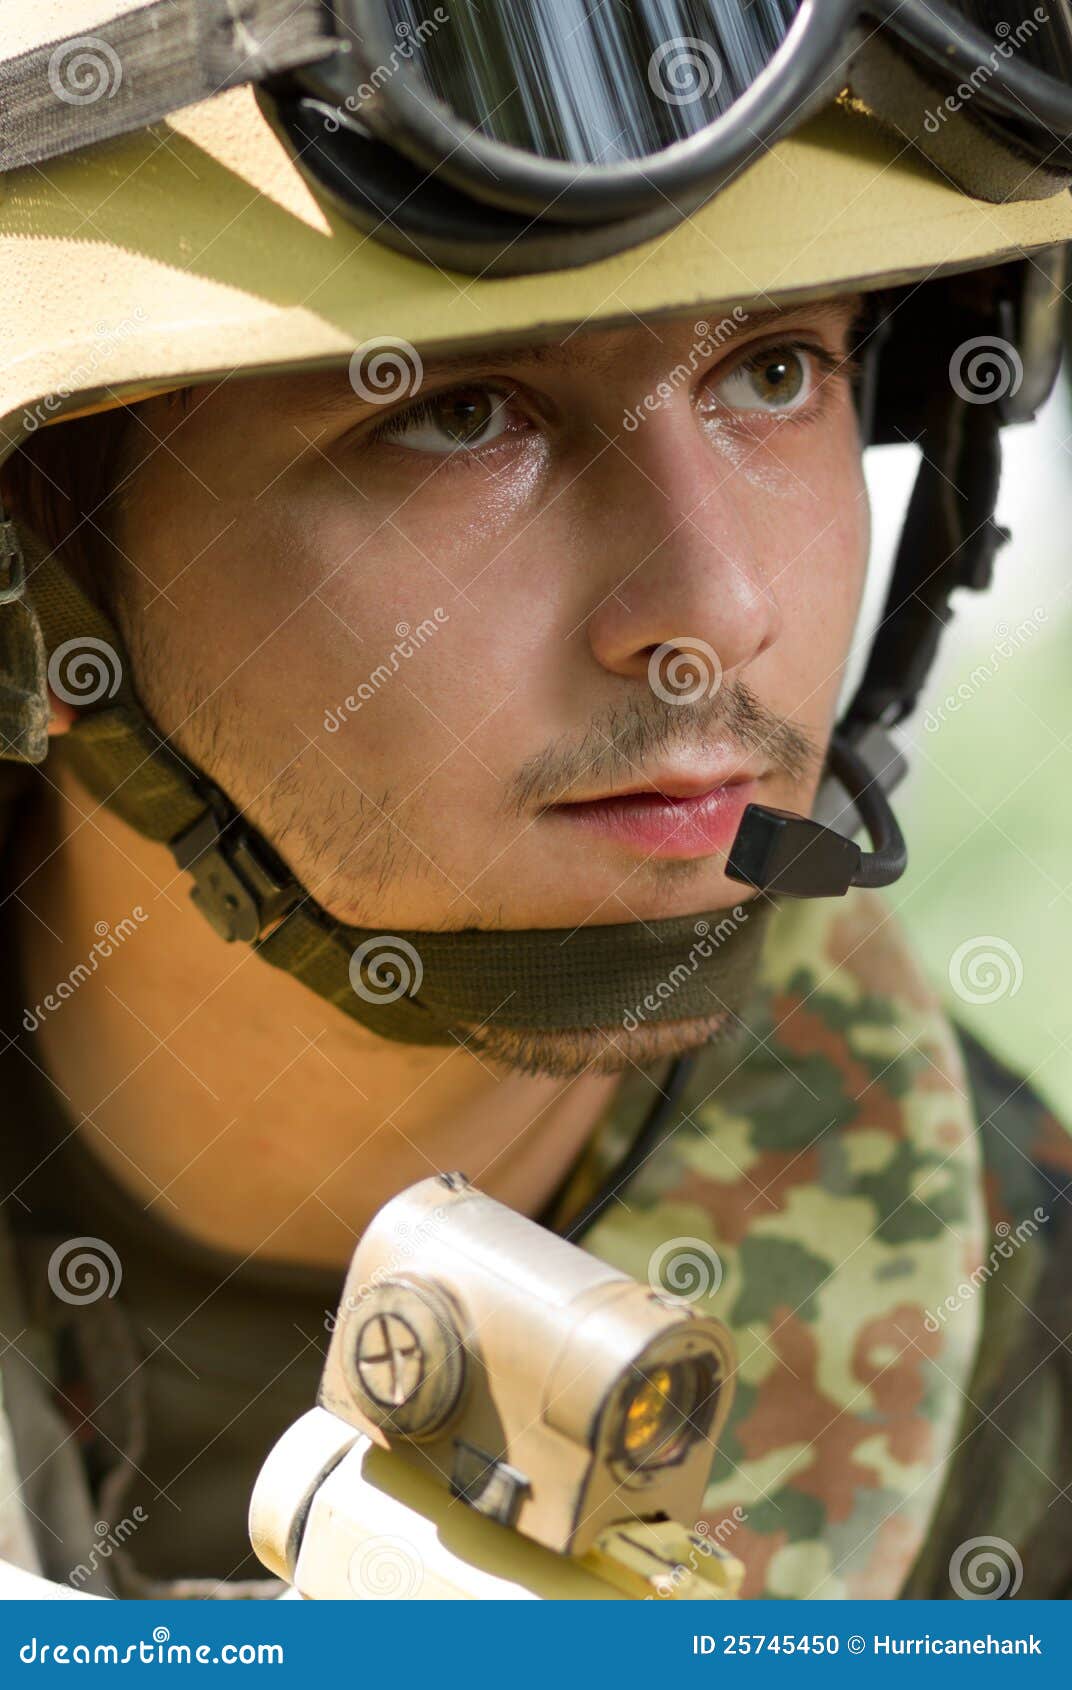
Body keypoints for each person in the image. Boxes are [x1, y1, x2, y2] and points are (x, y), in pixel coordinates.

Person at [0, 0, 1071, 1602]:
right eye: (460, 412)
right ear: (40, 555)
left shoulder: (1016, 1395)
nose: (711, 611)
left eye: (774, 370)